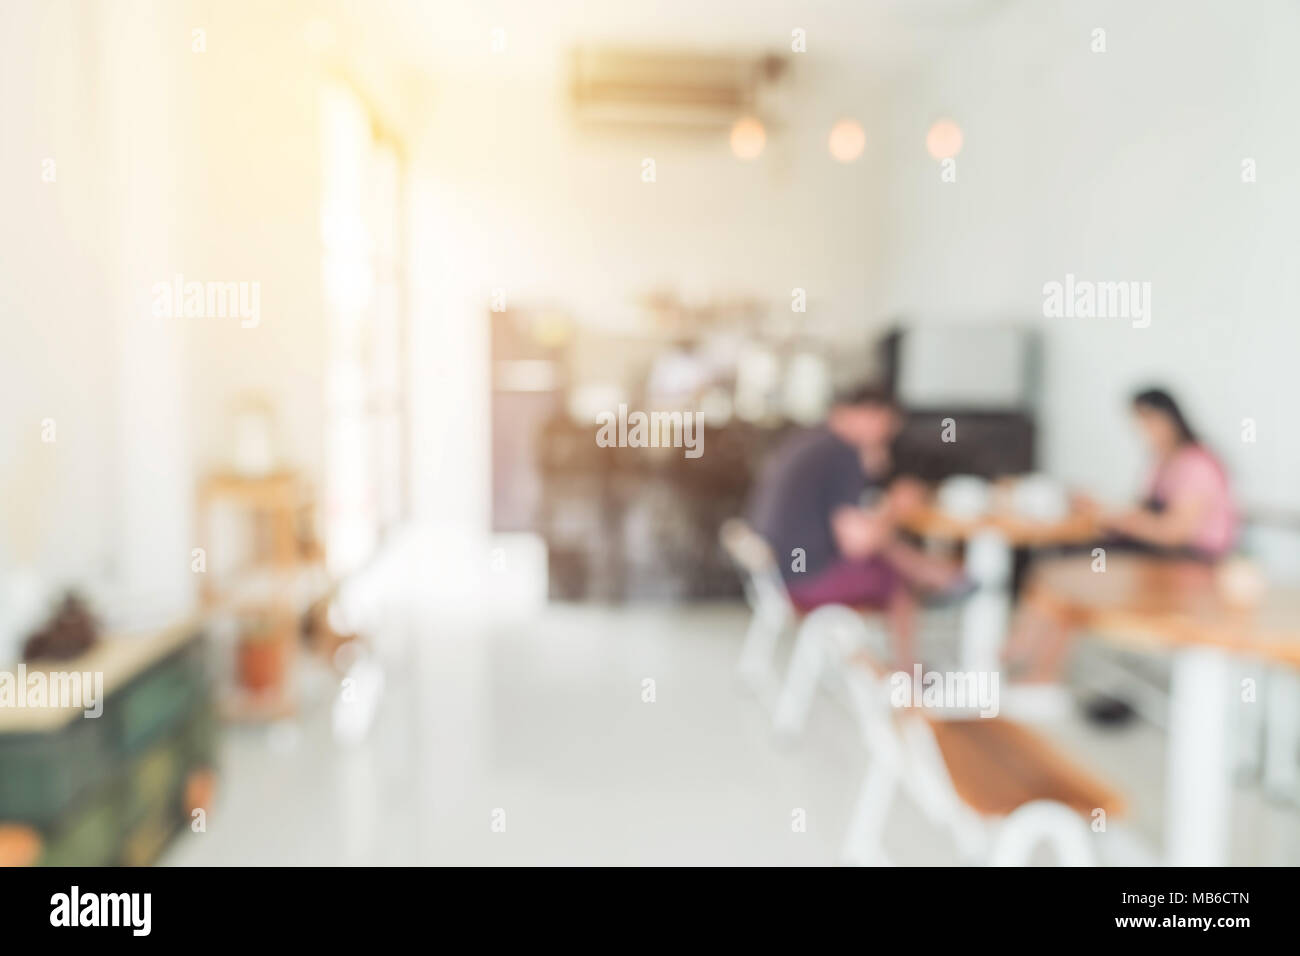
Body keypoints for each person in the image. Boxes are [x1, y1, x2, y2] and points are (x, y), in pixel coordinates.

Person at [1006, 387, 1239, 683]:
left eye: (1148, 420)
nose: (1143, 430)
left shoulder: (1197, 463)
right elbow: (1143, 513)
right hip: (1153, 552)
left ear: (1170, 419)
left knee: (1075, 575)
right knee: (1062, 561)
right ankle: (1018, 655)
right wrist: (1105, 513)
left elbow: (1172, 533)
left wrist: (1112, 516)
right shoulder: (1162, 460)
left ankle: (1038, 672)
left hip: (1189, 562)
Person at [747, 385, 962, 668]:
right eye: (888, 425)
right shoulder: (841, 451)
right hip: (805, 580)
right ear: (871, 415)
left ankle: (937, 575)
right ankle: (908, 674)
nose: (889, 435)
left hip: (776, 575)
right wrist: (896, 507)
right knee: (897, 581)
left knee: (887, 553)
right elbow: (858, 545)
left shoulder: (814, 441)